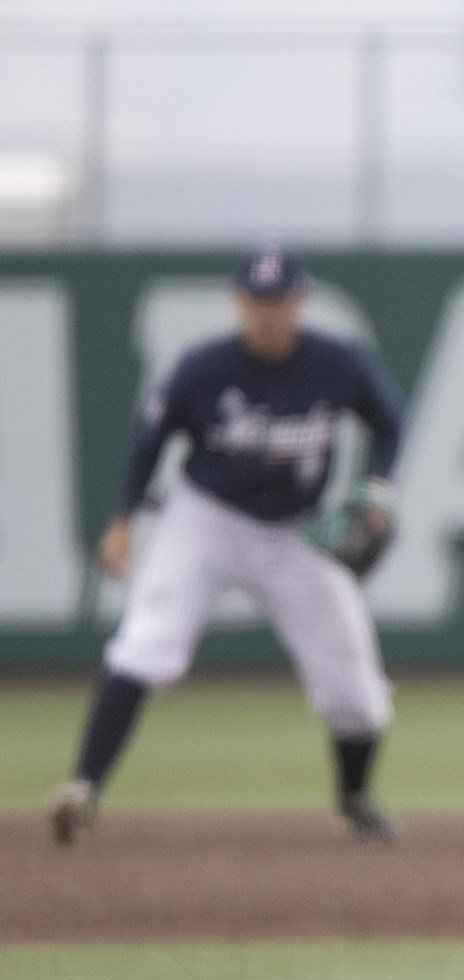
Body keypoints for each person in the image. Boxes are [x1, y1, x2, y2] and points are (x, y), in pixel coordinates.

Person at [47, 246, 407, 846]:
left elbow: (389, 420)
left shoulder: (336, 363)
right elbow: (149, 441)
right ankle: (83, 789)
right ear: (238, 301)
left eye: (279, 300)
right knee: (147, 642)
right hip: (206, 518)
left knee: (355, 686)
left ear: (300, 301)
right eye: (257, 299)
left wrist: (379, 485)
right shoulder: (204, 367)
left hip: (296, 529)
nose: (267, 311)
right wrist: (123, 518)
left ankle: (354, 800)